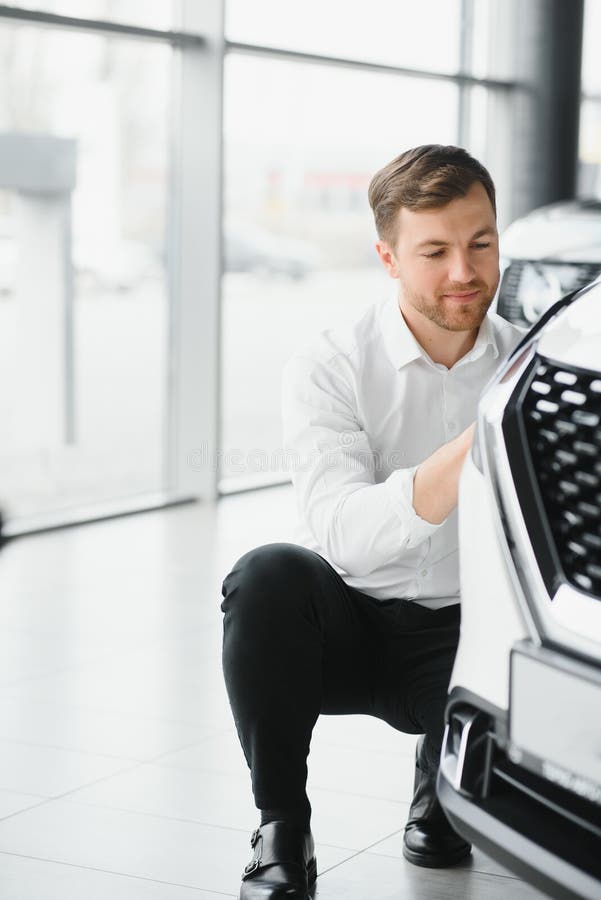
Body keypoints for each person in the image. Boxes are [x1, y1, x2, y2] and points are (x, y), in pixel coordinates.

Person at [221, 144, 524, 900]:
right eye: (435, 251)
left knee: (452, 835)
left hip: (468, 638)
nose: (464, 271)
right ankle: (281, 826)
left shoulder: (527, 365)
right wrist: (479, 440)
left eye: (481, 243)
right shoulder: (330, 365)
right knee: (266, 576)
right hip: (347, 626)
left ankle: (441, 790)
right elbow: (346, 535)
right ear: (387, 257)